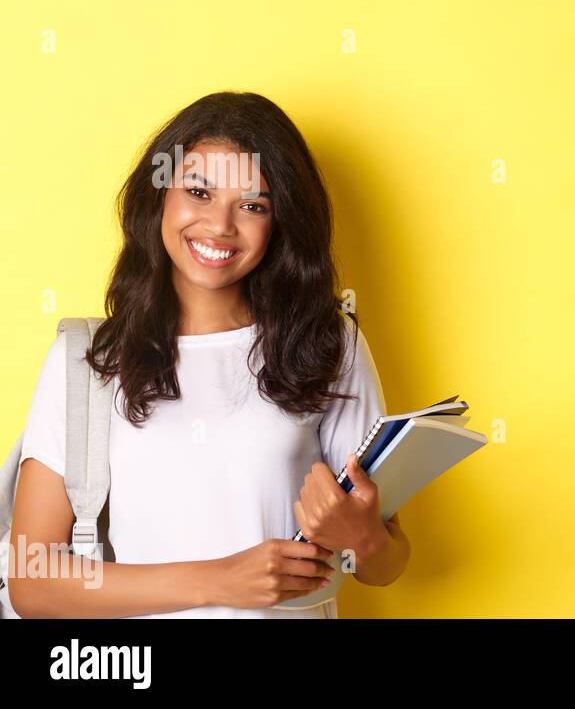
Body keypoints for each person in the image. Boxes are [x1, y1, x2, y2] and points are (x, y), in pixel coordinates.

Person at [4, 91, 410, 618]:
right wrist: (221, 580)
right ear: (160, 198)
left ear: (279, 223)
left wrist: (366, 539)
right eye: (199, 191)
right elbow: (33, 582)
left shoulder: (329, 344)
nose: (220, 225)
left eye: (252, 205)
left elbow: (387, 566)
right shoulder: (86, 359)